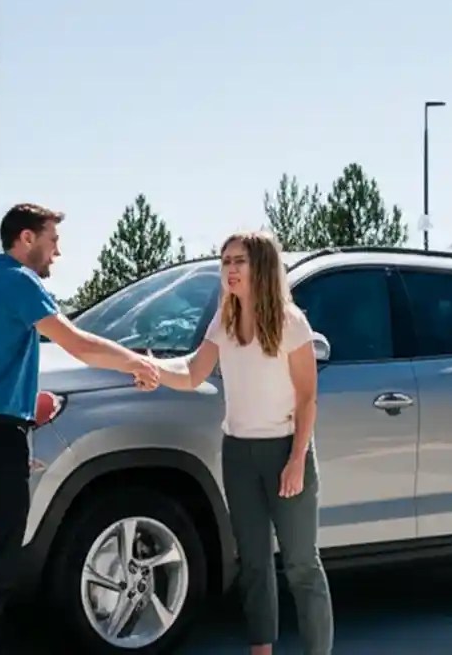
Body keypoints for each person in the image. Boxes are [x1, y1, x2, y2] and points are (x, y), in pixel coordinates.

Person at [0, 203, 162, 654]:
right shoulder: (19, 282)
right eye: (52, 240)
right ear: (26, 238)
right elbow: (78, 344)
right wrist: (137, 363)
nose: (56, 253)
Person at [147, 230, 333, 655]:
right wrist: (151, 369)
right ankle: (261, 650)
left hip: (287, 450)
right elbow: (193, 374)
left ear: (261, 266)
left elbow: (307, 398)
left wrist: (297, 461)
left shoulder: (291, 322)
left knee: (302, 565)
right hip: (239, 454)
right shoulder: (224, 320)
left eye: (239, 261)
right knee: (253, 564)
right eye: (225, 260)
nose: (230, 269)